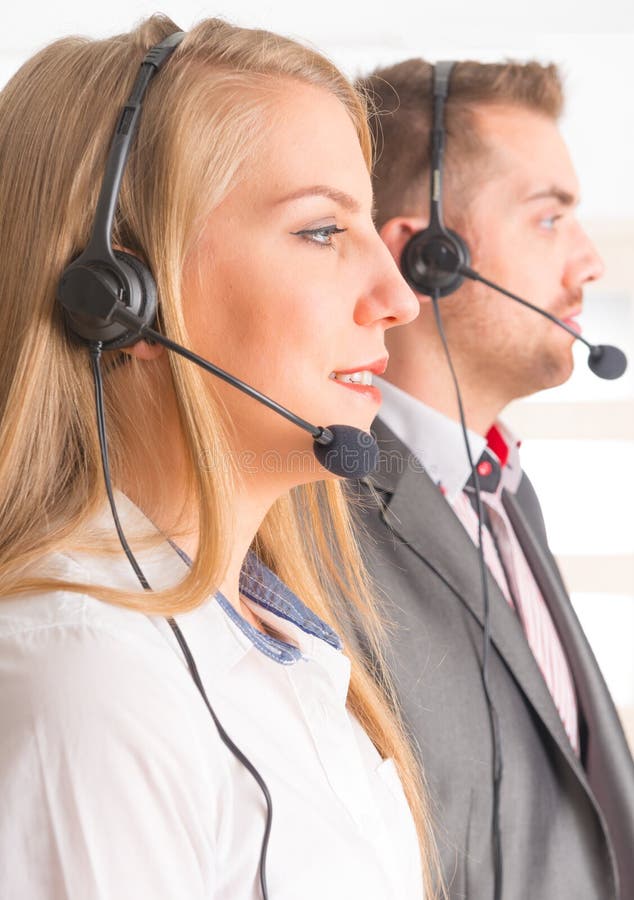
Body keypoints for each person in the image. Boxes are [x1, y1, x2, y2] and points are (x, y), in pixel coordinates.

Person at [0, 17, 440, 899]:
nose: (398, 300)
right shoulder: (85, 674)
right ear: (122, 296)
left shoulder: (286, 649)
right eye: (322, 232)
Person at [352, 58, 634, 899]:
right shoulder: (320, 515)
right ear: (430, 256)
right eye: (549, 220)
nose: (588, 264)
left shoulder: (507, 492)